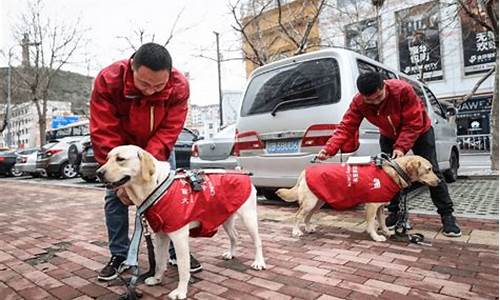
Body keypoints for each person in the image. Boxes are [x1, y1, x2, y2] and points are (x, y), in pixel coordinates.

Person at [90, 42, 202, 281]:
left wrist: (147, 166)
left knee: (172, 197)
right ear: (132, 67)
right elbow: (103, 130)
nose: (150, 91)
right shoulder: (108, 79)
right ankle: (119, 255)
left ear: (169, 76)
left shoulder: (179, 85)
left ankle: (176, 251)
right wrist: (121, 182)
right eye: (144, 84)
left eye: (158, 85)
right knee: (114, 198)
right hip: (121, 146)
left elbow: (170, 129)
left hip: (158, 148)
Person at [316, 71, 461, 237]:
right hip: (388, 135)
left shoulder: (403, 90)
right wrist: (329, 149)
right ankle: (395, 213)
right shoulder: (358, 102)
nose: (375, 103)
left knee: (431, 171)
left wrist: (400, 147)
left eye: (378, 98)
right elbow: (346, 127)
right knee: (388, 175)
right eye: (369, 100)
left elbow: (413, 123)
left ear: (383, 86)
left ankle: (447, 215)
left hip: (420, 131)